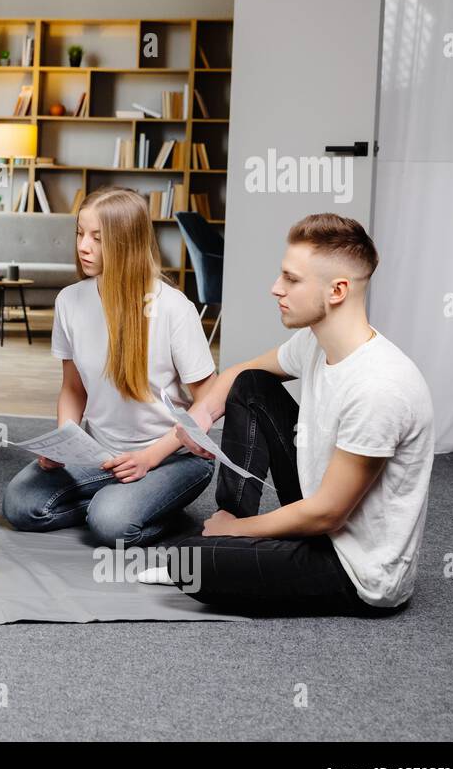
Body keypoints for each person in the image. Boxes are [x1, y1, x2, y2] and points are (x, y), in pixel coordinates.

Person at [166, 213, 434, 616]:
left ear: (338, 290)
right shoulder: (314, 342)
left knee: (184, 561)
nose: (276, 289)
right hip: (321, 511)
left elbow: (327, 513)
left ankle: (233, 532)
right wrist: (203, 413)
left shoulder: (381, 386)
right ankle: (231, 516)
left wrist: (237, 534)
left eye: (291, 279)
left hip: (354, 569)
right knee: (253, 384)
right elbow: (241, 374)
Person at [2, 187, 217, 547]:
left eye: (97, 239)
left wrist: (149, 458)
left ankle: (137, 505)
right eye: (80, 234)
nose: (84, 246)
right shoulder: (70, 301)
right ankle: (129, 503)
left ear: (126, 243)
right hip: (101, 455)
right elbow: (73, 388)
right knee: (20, 505)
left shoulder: (173, 308)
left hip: (173, 457)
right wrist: (63, 443)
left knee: (111, 525)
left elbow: (208, 401)